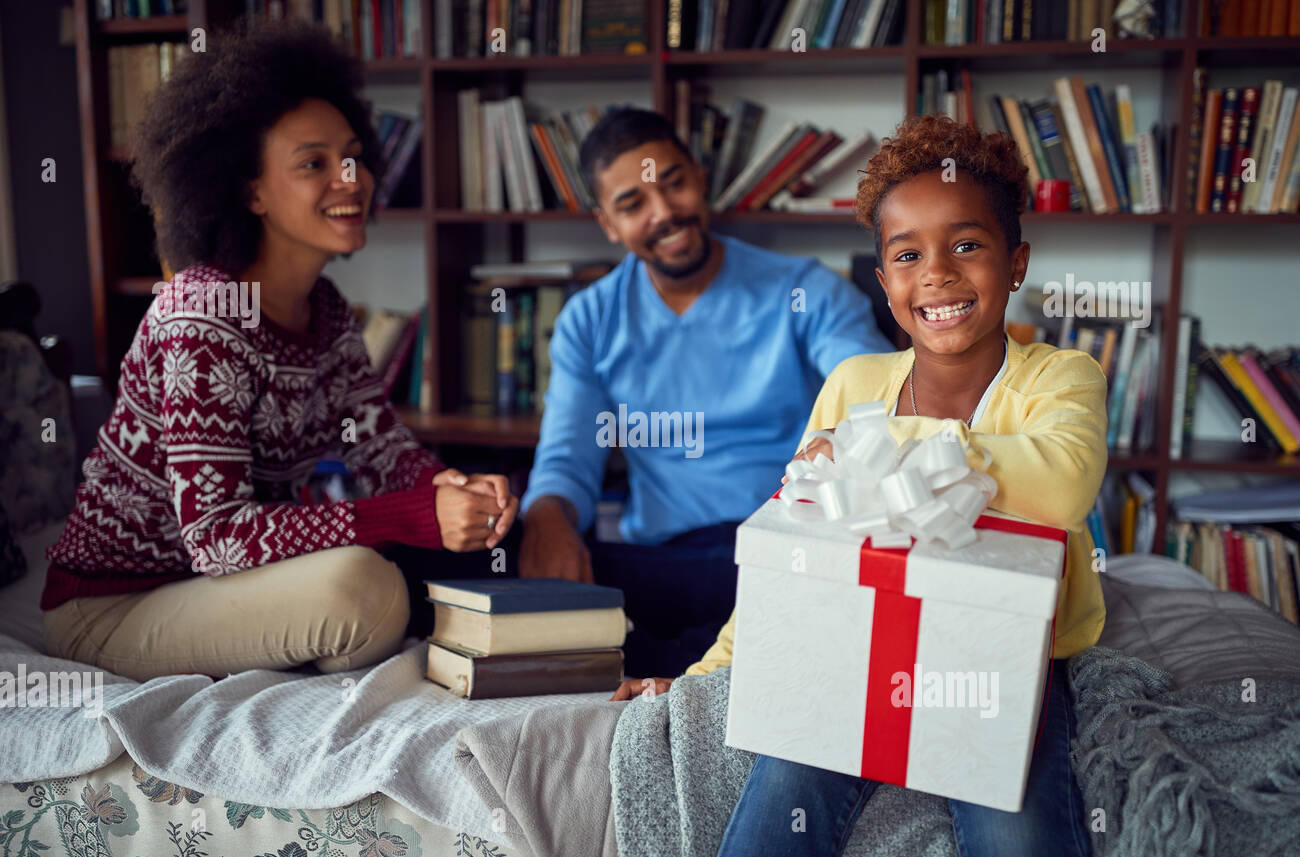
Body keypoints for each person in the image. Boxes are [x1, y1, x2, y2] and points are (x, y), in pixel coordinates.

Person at [41, 22, 517, 681]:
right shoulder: (200, 317)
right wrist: (415, 516)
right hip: (115, 606)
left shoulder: (325, 312)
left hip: (218, 589)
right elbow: (216, 538)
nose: (350, 179)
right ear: (250, 190)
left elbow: (379, 450)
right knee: (364, 587)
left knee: (463, 558)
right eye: (313, 163)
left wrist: (446, 487)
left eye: (352, 157)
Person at [689, 114, 1108, 857]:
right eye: (908, 254)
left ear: (1016, 263)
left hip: (1004, 652)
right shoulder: (855, 384)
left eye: (967, 245)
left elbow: (1063, 483)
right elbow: (797, 547)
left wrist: (865, 450)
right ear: (884, 283)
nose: (938, 273)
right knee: (779, 796)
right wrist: (710, 669)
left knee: (1016, 831)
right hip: (851, 641)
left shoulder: (1061, 376)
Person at [517, 108, 895, 682]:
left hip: (778, 546)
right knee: (487, 563)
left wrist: (838, 445)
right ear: (607, 225)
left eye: (674, 183)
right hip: (662, 564)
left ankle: (685, 672)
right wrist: (546, 519)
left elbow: (872, 389)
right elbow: (568, 457)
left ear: (699, 175)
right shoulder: (588, 320)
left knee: (773, 586)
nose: (664, 212)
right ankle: (704, 671)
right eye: (633, 203)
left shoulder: (804, 291)